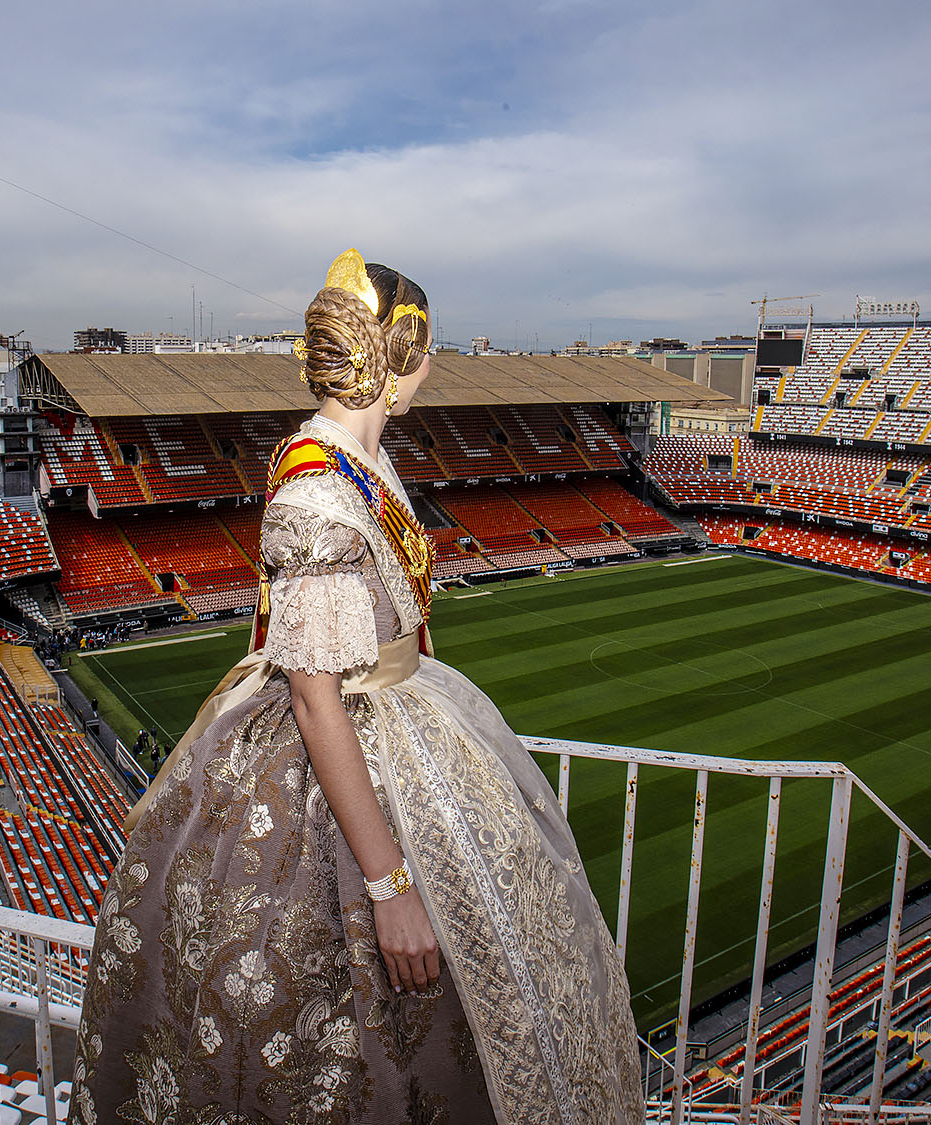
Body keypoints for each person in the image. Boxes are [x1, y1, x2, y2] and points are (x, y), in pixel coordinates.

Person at [74, 250, 642, 1123]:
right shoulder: (319, 491)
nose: (434, 368)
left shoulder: (359, 461)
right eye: (429, 349)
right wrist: (389, 886)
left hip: (401, 712)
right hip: (345, 752)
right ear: (400, 355)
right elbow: (314, 696)